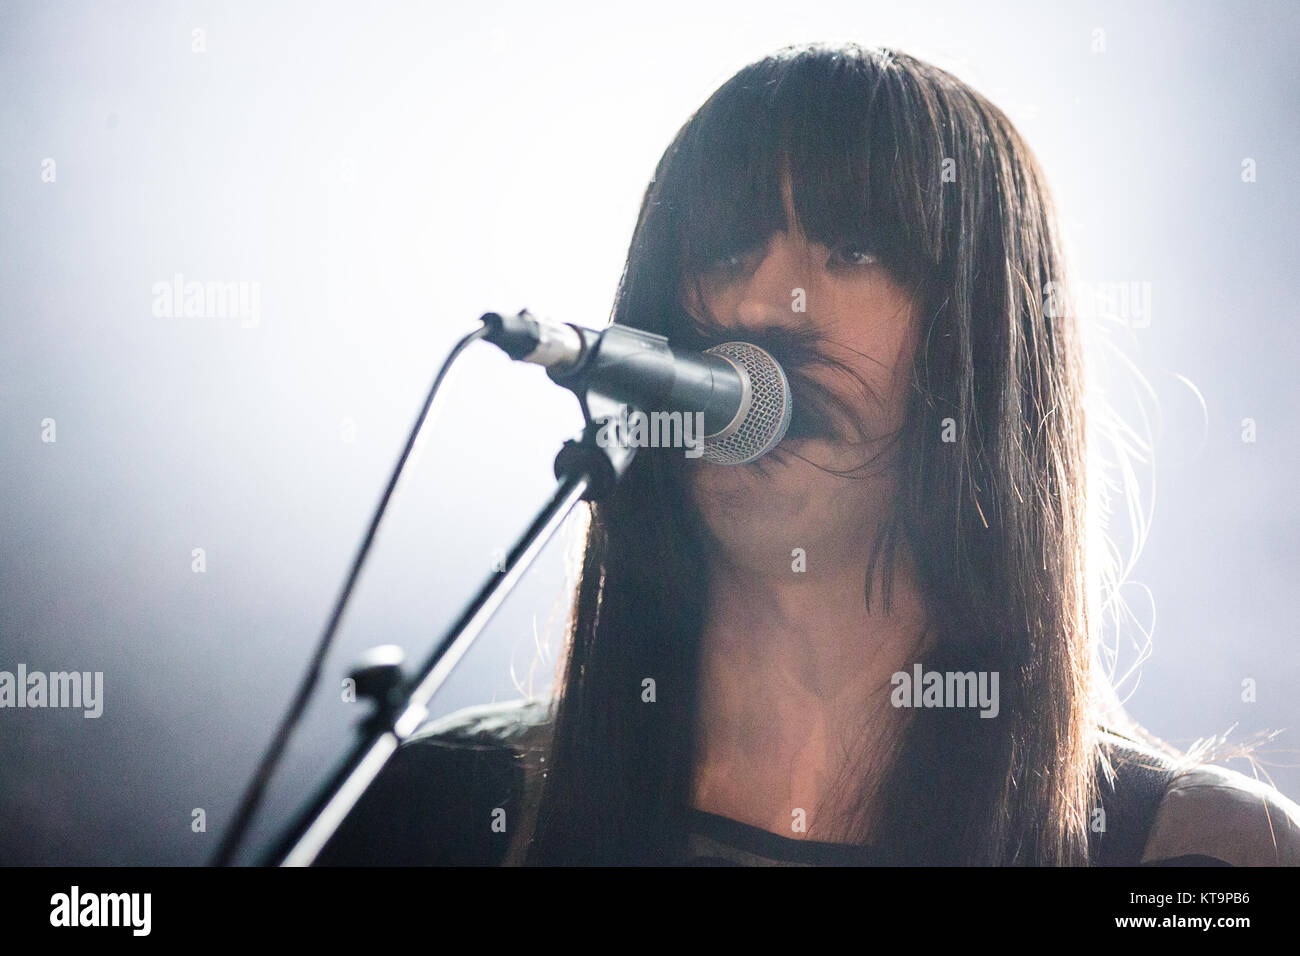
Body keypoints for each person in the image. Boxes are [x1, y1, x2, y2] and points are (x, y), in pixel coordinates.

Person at [318, 41, 1300, 867]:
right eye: (724, 248)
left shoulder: (1199, 850)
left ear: (981, 341)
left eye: (850, 248)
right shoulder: (441, 806)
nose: (758, 306)